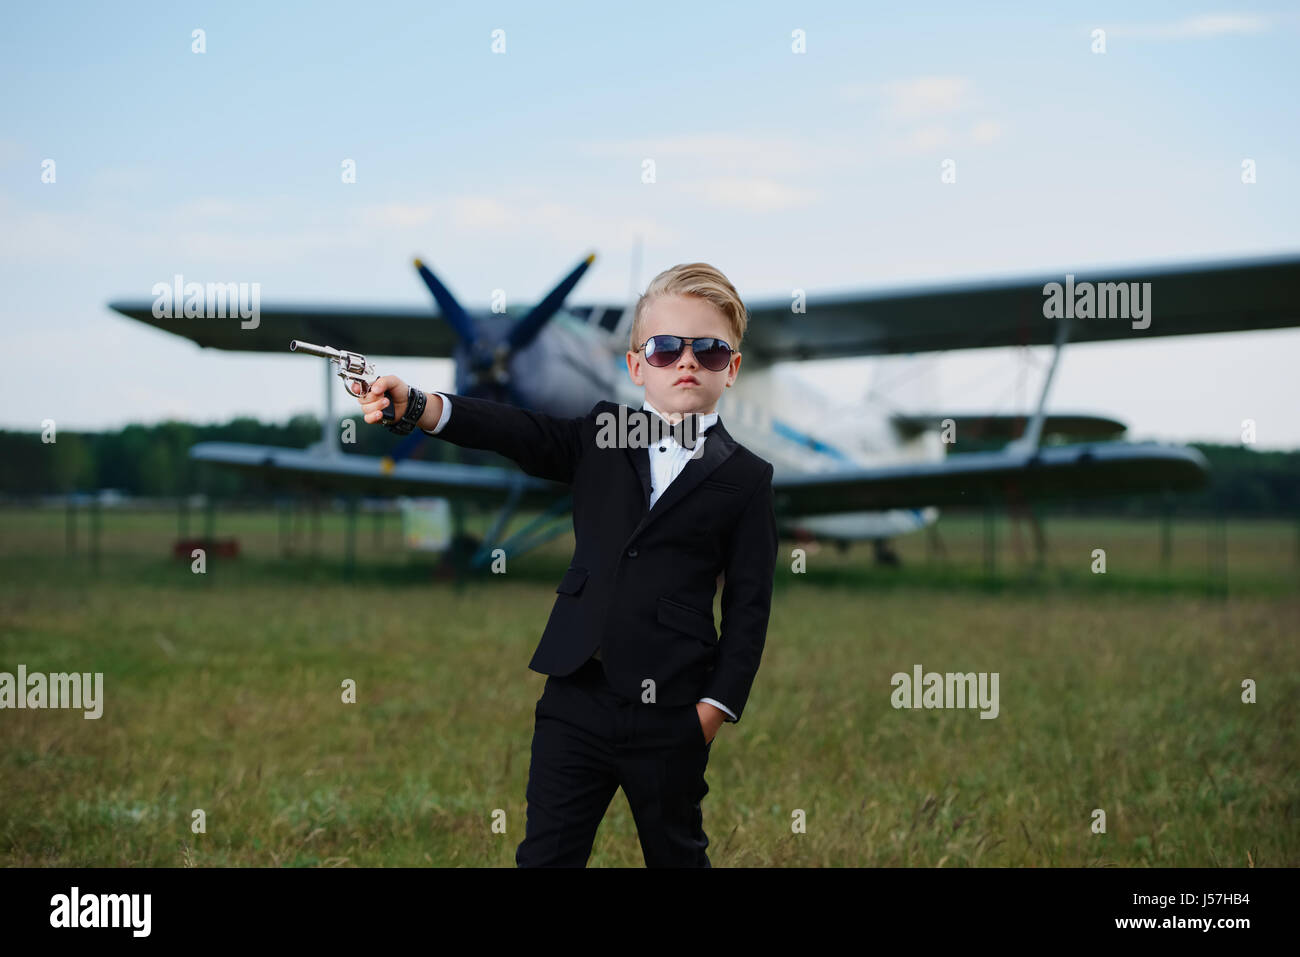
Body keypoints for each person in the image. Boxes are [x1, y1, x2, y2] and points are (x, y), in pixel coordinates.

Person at [353, 262, 778, 867]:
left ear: (731, 369)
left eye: (709, 351)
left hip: (672, 708)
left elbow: (749, 606)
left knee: (677, 855)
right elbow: (517, 430)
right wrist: (421, 406)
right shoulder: (604, 433)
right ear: (636, 365)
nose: (687, 361)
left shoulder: (747, 478)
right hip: (575, 695)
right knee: (546, 857)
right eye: (664, 348)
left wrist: (712, 712)